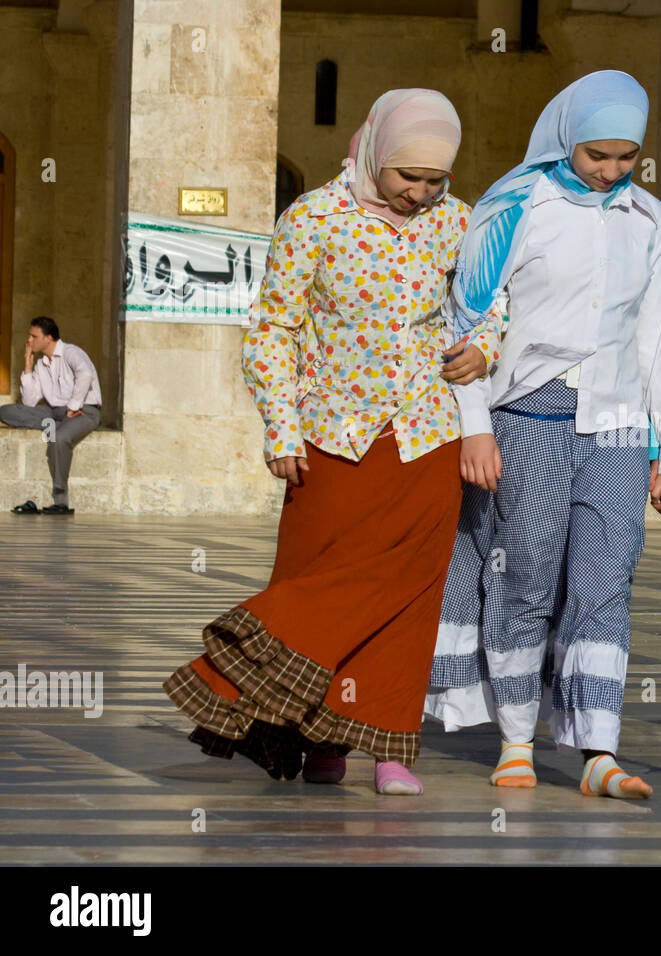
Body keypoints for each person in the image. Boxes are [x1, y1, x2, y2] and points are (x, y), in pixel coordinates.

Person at [163, 89, 495, 796]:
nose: (420, 192)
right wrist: (282, 426)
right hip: (332, 439)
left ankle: (392, 747)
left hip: (424, 436)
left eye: (435, 180)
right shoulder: (314, 217)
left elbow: (491, 303)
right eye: (408, 176)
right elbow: (273, 329)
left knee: (408, 595)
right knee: (318, 579)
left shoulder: (460, 223)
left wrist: (484, 347)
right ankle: (317, 737)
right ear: (375, 152)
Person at [424, 70, 661, 799]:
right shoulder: (516, 206)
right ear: (566, 140)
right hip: (526, 418)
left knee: (607, 582)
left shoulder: (648, 218)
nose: (610, 172)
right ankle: (516, 740)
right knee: (524, 577)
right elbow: (466, 322)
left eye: (625, 158)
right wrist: (476, 428)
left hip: (617, 426)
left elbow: (656, 338)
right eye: (595, 156)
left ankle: (598, 750)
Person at [2, 316, 102, 515]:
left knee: (60, 438)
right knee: (5, 411)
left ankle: (61, 500)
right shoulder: (41, 364)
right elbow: (29, 402)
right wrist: (28, 367)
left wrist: (74, 405)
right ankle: (55, 425)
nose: (29, 340)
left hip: (84, 411)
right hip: (54, 413)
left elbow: (86, 374)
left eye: (34, 336)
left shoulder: (71, 353)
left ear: (48, 338)